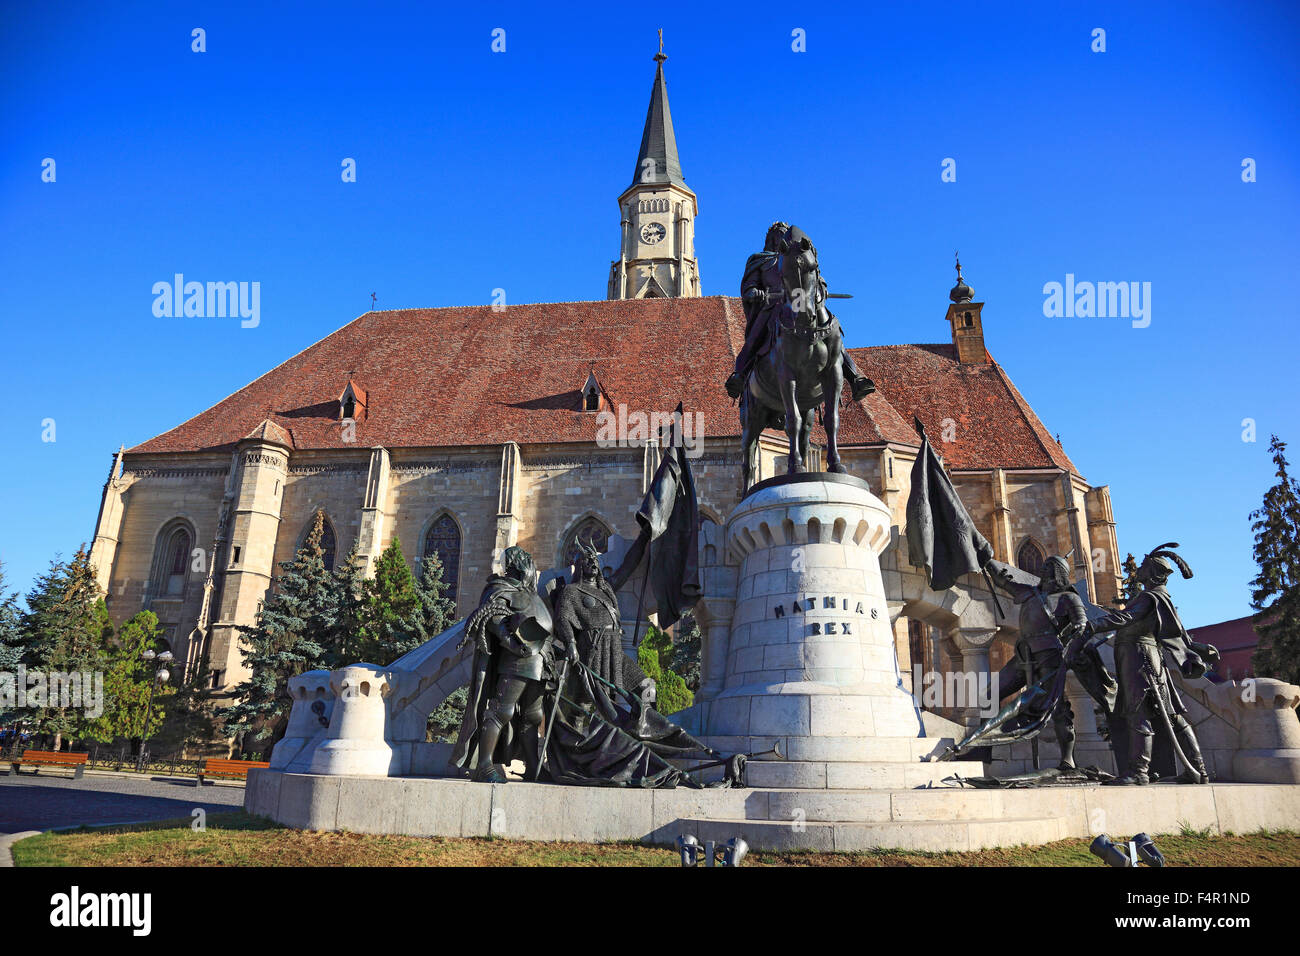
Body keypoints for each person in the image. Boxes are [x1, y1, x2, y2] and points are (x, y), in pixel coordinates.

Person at [1090, 543, 1217, 785]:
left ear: (1152, 573)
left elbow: (1126, 617)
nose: (1138, 568)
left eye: (1144, 566)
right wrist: (1198, 648)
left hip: (1139, 660)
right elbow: (1179, 631)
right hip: (1150, 659)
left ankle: (1139, 772)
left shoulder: (1148, 597)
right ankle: (1198, 770)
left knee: (1138, 712)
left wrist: (1092, 624)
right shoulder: (1160, 597)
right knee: (1172, 716)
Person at [724, 222, 874, 402]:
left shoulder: (796, 257)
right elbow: (749, 289)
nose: (784, 237)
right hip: (771, 308)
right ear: (771, 239)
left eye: (786, 234)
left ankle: (855, 379)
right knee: (754, 339)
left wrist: (822, 288)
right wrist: (761, 294)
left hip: (799, 305)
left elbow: (815, 276)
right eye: (779, 234)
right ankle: (739, 376)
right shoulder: (760, 260)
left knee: (831, 331)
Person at [450, 546, 563, 783]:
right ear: (519, 564)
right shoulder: (500, 588)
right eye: (528, 562)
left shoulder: (531, 593)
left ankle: (533, 767)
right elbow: (492, 618)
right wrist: (513, 642)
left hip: (540, 660)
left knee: (533, 715)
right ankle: (483, 765)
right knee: (502, 710)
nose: (532, 567)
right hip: (517, 659)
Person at [986, 555, 1106, 771]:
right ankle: (986, 748)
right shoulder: (1030, 593)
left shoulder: (1069, 598)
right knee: (991, 693)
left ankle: (1067, 759)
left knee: (1057, 707)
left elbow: (1082, 624)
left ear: (1058, 573)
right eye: (1043, 567)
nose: (1043, 571)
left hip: (1050, 657)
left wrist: (1076, 635)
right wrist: (985, 558)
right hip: (1025, 656)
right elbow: (1003, 581)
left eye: (1049, 568)